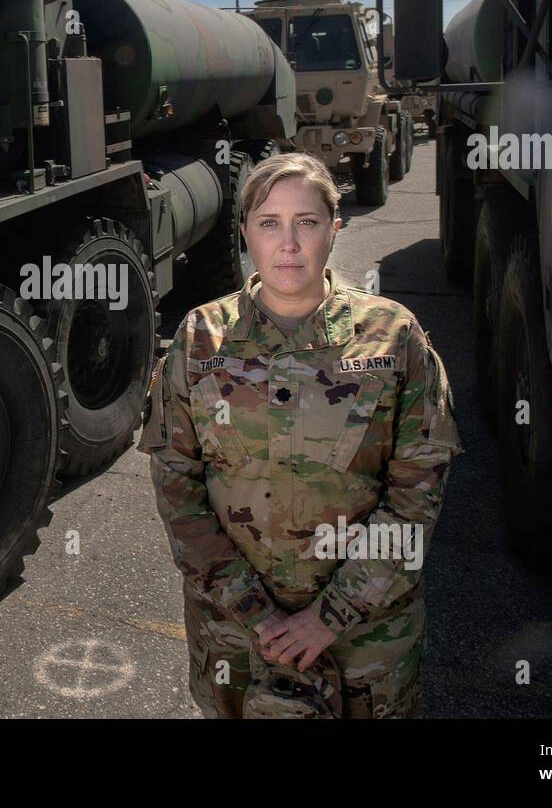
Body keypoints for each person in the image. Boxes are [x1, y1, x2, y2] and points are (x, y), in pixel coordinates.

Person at [138, 151, 463, 718]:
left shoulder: (392, 338)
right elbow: (178, 492)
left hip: (366, 640)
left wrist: (330, 616)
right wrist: (259, 616)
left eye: (306, 222)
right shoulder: (200, 341)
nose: (288, 243)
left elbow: (416, 498)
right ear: (244, 234)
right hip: (237, 638)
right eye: (269, 223)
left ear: (335, 229)